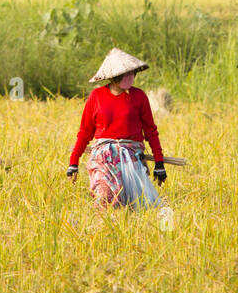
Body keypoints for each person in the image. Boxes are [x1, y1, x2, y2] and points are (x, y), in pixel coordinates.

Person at [67, 47, 166, 208]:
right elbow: (85, 132)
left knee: (135, 203)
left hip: (131, 157)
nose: (130, 77)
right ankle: (101, 229)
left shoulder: (139, 96)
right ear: (113, 77)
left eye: (132, 73)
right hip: (103, 157)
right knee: (105, 196)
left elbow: (151, 131)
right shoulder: (96, 96)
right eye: (125, 74)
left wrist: (159, 163)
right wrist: (73, 163)